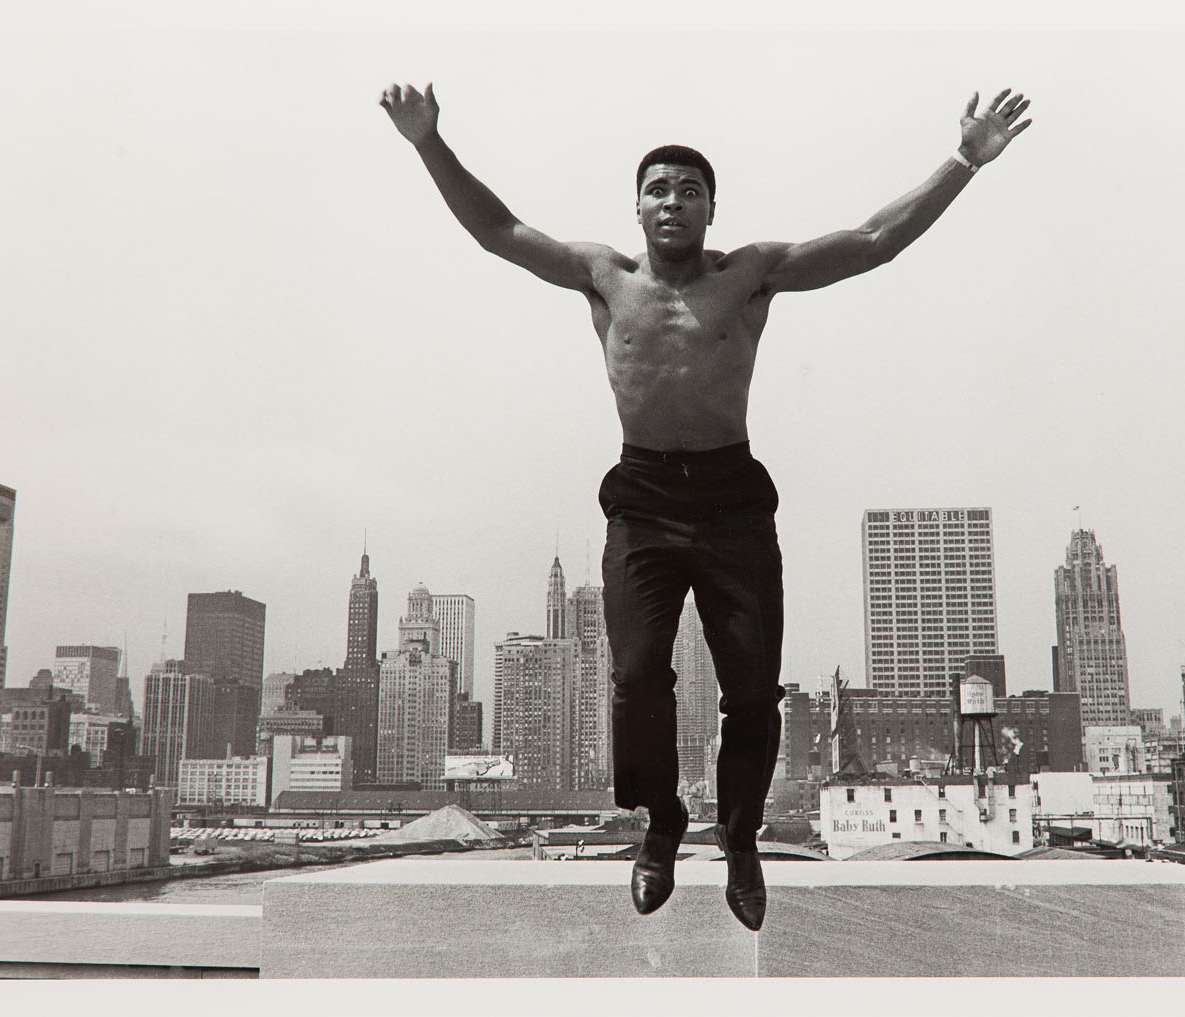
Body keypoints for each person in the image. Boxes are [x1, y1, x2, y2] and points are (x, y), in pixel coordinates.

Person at [380, 82, 1031, 930]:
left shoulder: (749, 274)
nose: (673, 202)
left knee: (753, 691)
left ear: (711, 209)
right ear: (637, 207)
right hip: (643, 498)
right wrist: (428, 142)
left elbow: (874, 241)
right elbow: (498, 230)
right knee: (635, 677)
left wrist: (964, 161)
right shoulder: (605, 276)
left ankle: (741, 835)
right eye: (658, 189)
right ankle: (661, 822)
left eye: (690, 190)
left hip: (732, 499)